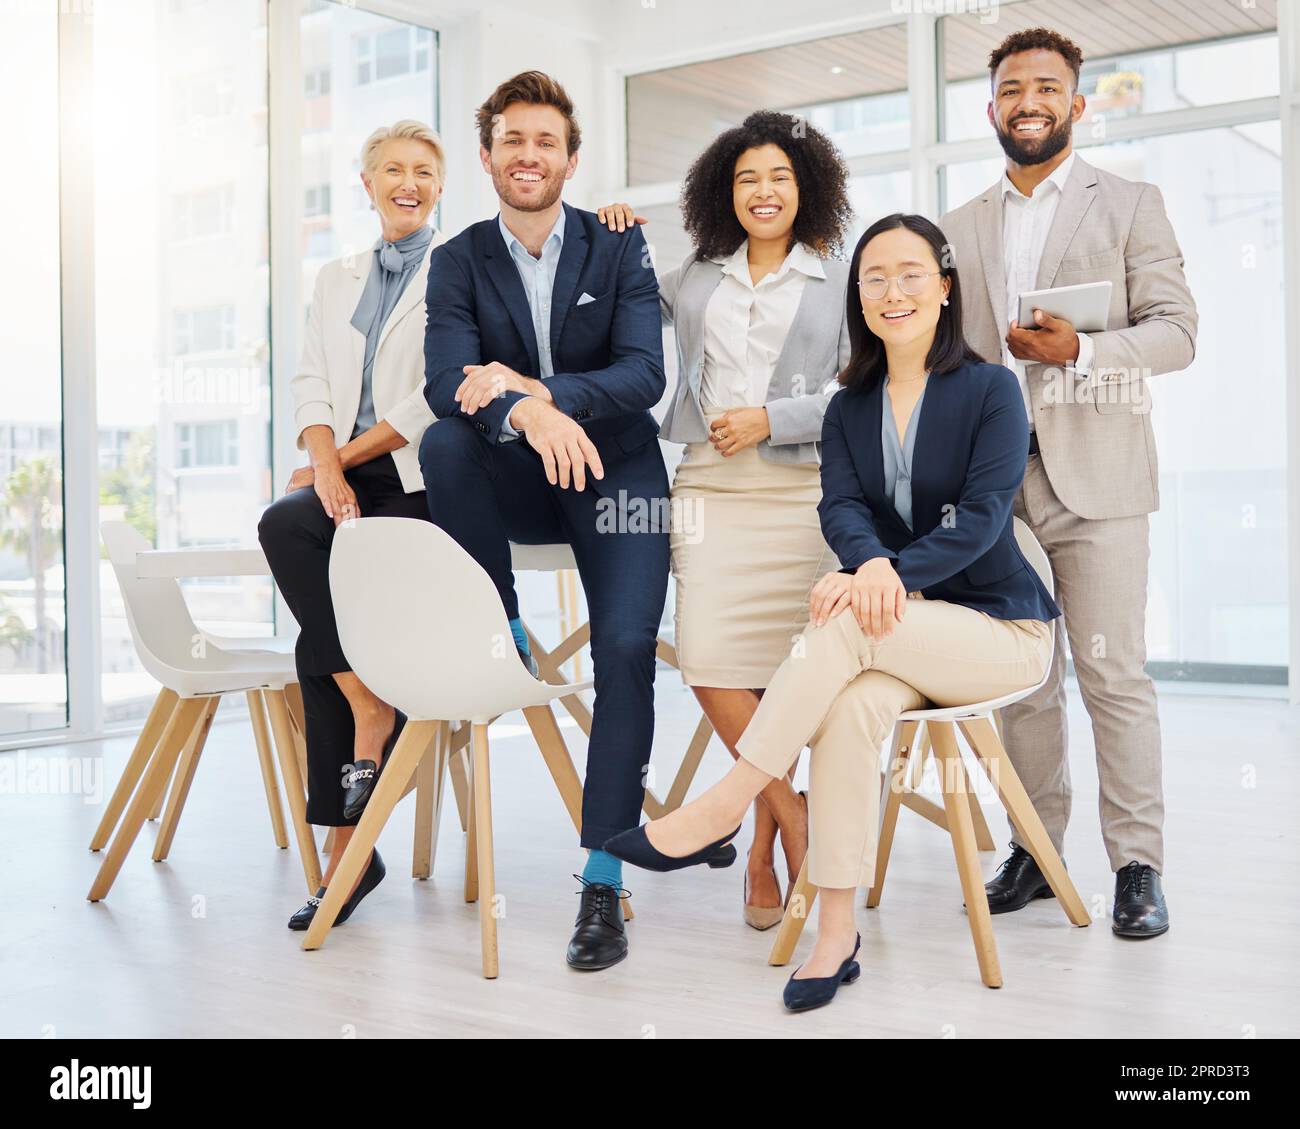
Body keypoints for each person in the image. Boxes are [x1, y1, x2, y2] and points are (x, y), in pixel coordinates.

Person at [605, 213, 1061, 1012]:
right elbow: (841, 509)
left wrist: (881, 572)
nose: (893, 291)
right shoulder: (851, 405)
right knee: (848, 713)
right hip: (900, 631)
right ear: (857, 297)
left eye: (912, 274)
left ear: (945, 288)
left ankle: (726, 801)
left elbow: (984, 516)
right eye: (875, 277)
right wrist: (869, 564)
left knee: (842, 619)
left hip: (997, 631)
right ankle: (836, 931)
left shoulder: (990, 389)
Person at [940, 27, 1197, 938]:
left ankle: (1136, 863)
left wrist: (1080, 349)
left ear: (1077, 105)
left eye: (1047, 87)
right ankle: (1035, 849)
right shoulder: (960, 223)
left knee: (1112, 673)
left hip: (1102, 479)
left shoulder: (1130, 203)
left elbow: (1177, 331)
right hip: (994, 488)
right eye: (1013, 88)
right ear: (992, 108)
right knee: (1022, 677)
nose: (1029, 101)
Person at [419, 71, 674, 973]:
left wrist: (541, 391)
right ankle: (505, 621)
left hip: (619, 471)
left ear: (572, 158)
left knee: (627, 647)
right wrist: (525, 418)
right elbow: (447, 379)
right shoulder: (457, 259)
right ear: (486, 157)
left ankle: (604, 872)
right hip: (520, 470)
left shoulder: (618, 248)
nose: (530, 155)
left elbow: (647, 376)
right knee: (443, 444)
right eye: (512, 141)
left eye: (546, 142)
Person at [596, 109, 853, 930]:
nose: (764, 190)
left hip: (803, 494)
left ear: (805, 188)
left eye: (779, 176)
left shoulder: (840, 276)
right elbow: (618, 304)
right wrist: (614, 231)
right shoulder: (697, 276)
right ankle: (796, 815)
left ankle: (764, 855)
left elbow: (864, 394)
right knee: (707, 660)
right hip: (707, 486)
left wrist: (775, 418)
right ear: (723, 192)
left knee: (787, 683)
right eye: (747, 178)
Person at [258, 121, 448, 931]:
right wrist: (320, 456)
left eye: (424, 172)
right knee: (284, 525)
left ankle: (346, 853)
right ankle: (369, 707)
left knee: (314, 640)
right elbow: (309, 377)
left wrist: (338, 465)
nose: (408, 183)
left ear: (440, 185)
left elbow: (434, 394)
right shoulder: (335, 277)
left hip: (409, 475)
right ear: (365, 182)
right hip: (339, 465)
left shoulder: (460, 268)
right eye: (393, 170)